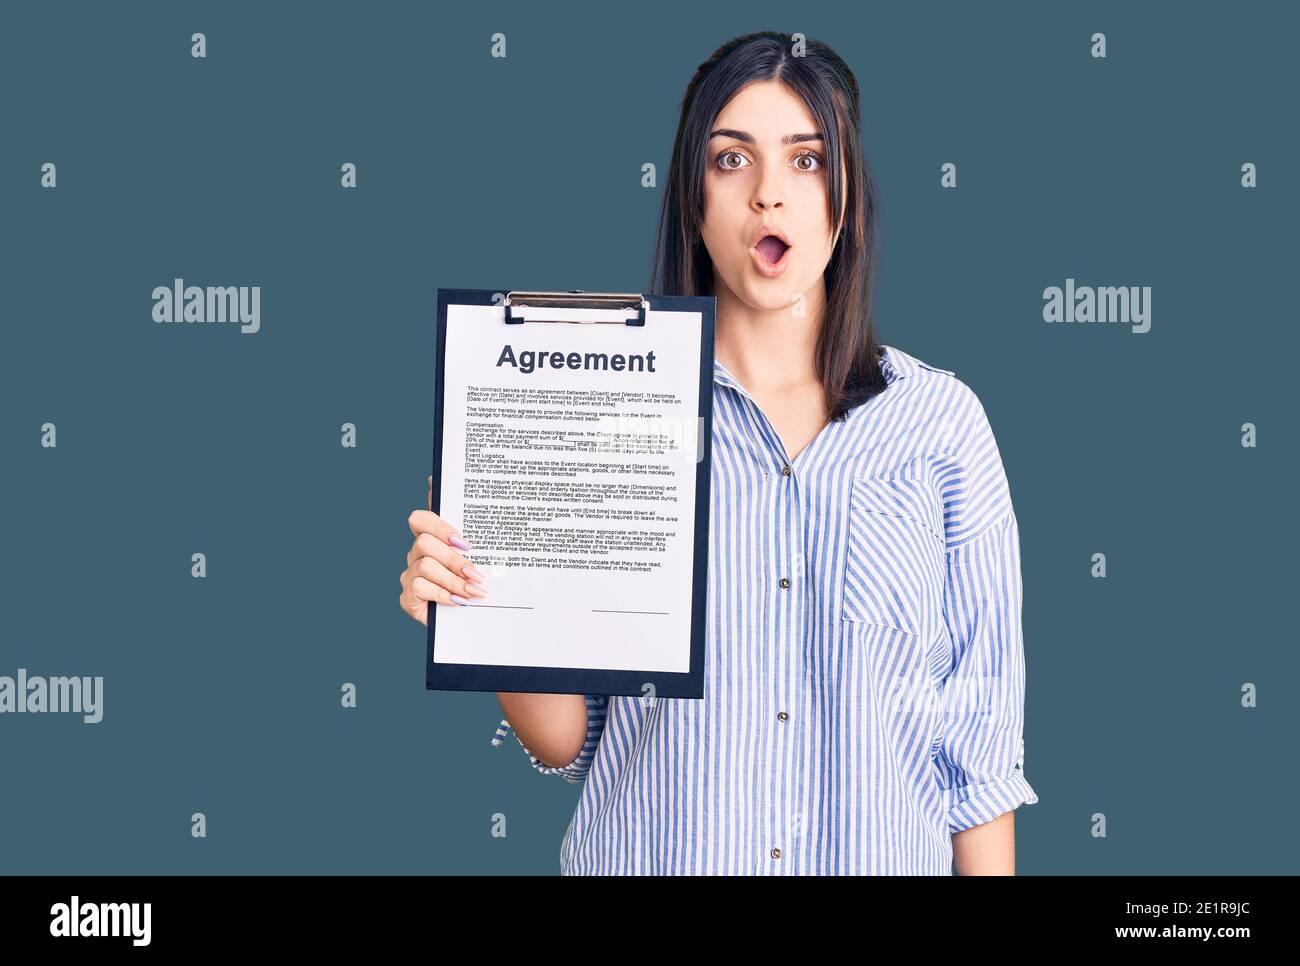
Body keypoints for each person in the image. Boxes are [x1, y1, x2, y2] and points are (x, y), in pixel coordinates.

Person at [399, 30, 1038, 875]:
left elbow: (979, 760)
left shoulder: (942, 427)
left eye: (806, 161)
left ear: (846, 197)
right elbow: (565, 740)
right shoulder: (609, 411)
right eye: (731, 161)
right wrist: (479, 594)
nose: (770, 195)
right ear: (693, 200)